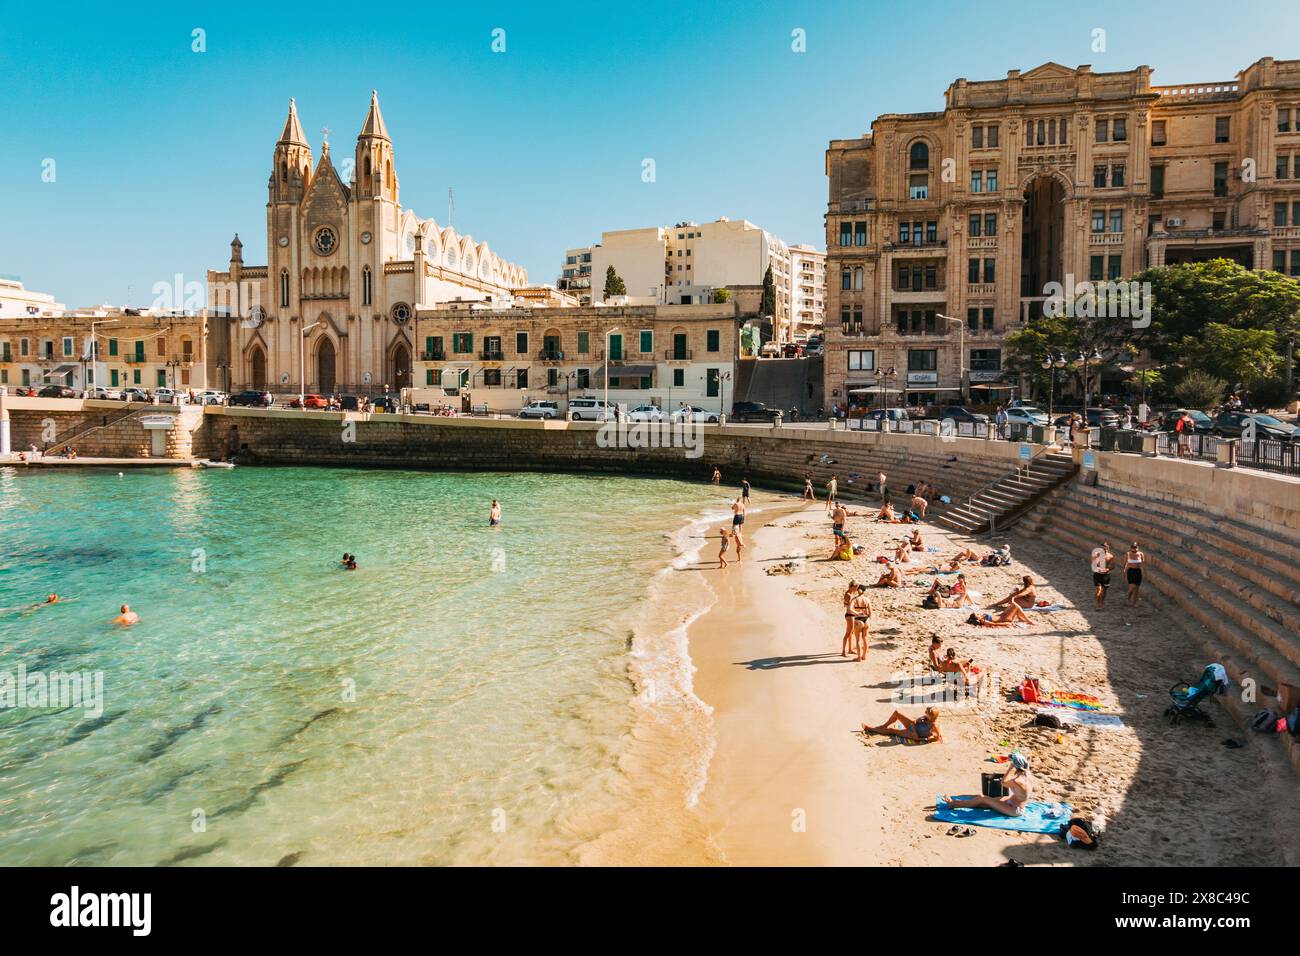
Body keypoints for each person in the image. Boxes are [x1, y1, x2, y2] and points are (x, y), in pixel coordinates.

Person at [942, 754, 1033, 816]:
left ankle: (953, 804)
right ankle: (958, 802)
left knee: (982, 798)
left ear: (1016, 766)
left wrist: (1009, 768)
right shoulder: (1028, 774)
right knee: (983, 803)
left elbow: (1003, 782)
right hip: (1011, 801)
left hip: (1014, 809)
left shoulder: (1017, 781)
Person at [862, 706, 942, 744]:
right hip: (913, 726)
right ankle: (884, 725)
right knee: (897, 713)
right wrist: (916, 723)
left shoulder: (934, 726)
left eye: (927, 712)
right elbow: (915, 722)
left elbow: (937, 738)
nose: (925, 712)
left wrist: (922, 739)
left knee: (892, 731)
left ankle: (870, 728)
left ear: (931, 716)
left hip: (913, 733)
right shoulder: (925, 718)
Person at [849, 586, 872, 660]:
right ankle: (864, 656)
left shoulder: (854, 599)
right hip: (866, 620)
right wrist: (869, 619)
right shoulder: (867, 599)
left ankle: (858, 658)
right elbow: (870, 612)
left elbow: (850, 609)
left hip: (858, 620)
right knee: (865, 639)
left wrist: (856, 613)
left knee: (858, 639)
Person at [1091, 542, 1114, 609]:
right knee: (1098, 590)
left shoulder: (1110, 556)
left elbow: (1113, 566)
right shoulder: (1096, 555)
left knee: (1104, 591)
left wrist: (1108, 569)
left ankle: (1101, 602)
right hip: (1097, 574)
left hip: (1105, 575)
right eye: (1103, 547)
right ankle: (1098, 604)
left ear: (1108, 548)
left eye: (1106, 547)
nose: (1105, 548)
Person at [968, 603, 1032, 627]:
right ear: (977, 619)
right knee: (1016, 606)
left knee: (1013, 604)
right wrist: (1007, 623)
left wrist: (1003, 613)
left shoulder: (982, 617)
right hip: (1005, 619)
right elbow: (994, 624)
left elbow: (995, 617)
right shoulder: (983, 620)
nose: (979, 614)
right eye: (977, 615)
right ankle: (1028, 620)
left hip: (1002, 615)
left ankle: (1022, 618)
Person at [841, 582, 861, 656]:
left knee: (850, 633)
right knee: (848, 633)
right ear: (852, 586)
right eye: (856, 587)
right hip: (850, 615)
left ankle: (849, 649)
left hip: (850, 614)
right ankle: (843, 651)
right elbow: (849, 608)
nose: (857, 589)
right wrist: (857, 613)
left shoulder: (850, 593)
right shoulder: (849, 595)